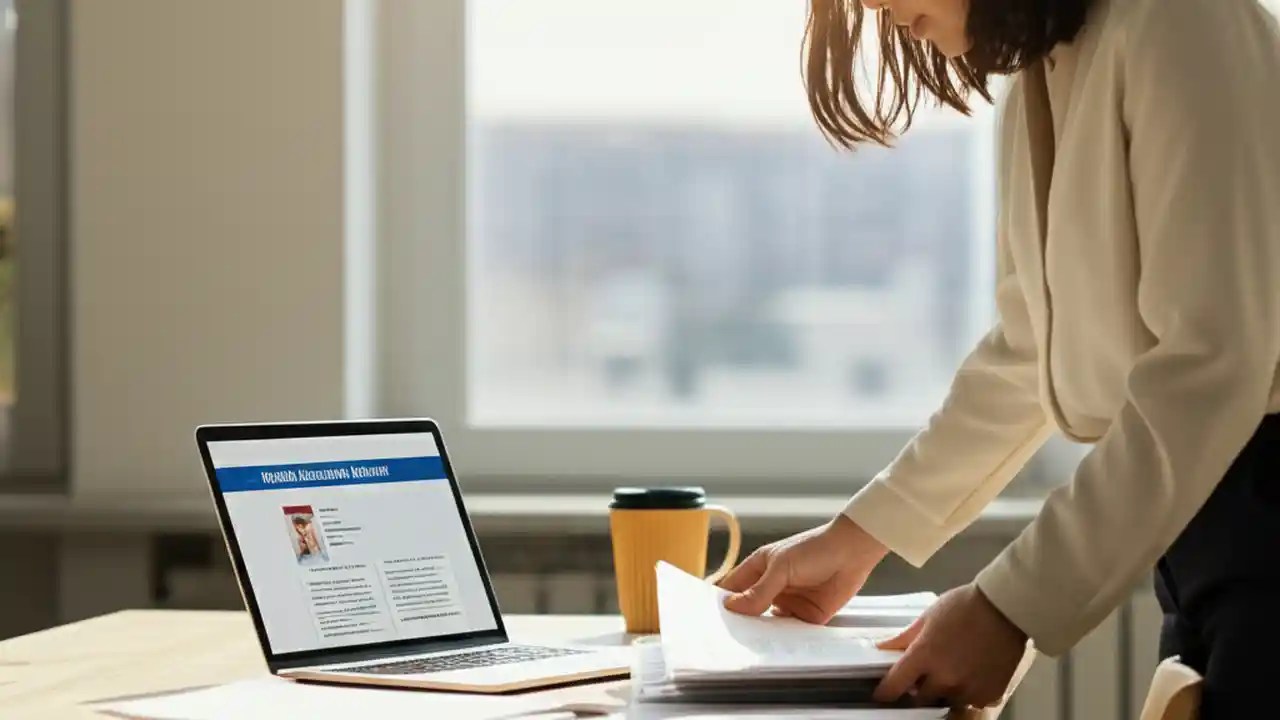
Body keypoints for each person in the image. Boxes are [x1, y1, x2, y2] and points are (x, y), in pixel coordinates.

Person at [717, 0, 1280, 715]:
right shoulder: (1041, 75)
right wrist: (858, 537)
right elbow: (1027, 350)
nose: (873, 6)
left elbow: (1212, 365)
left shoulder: (1184, 22)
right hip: (1198, 531)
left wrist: (1007, 607)